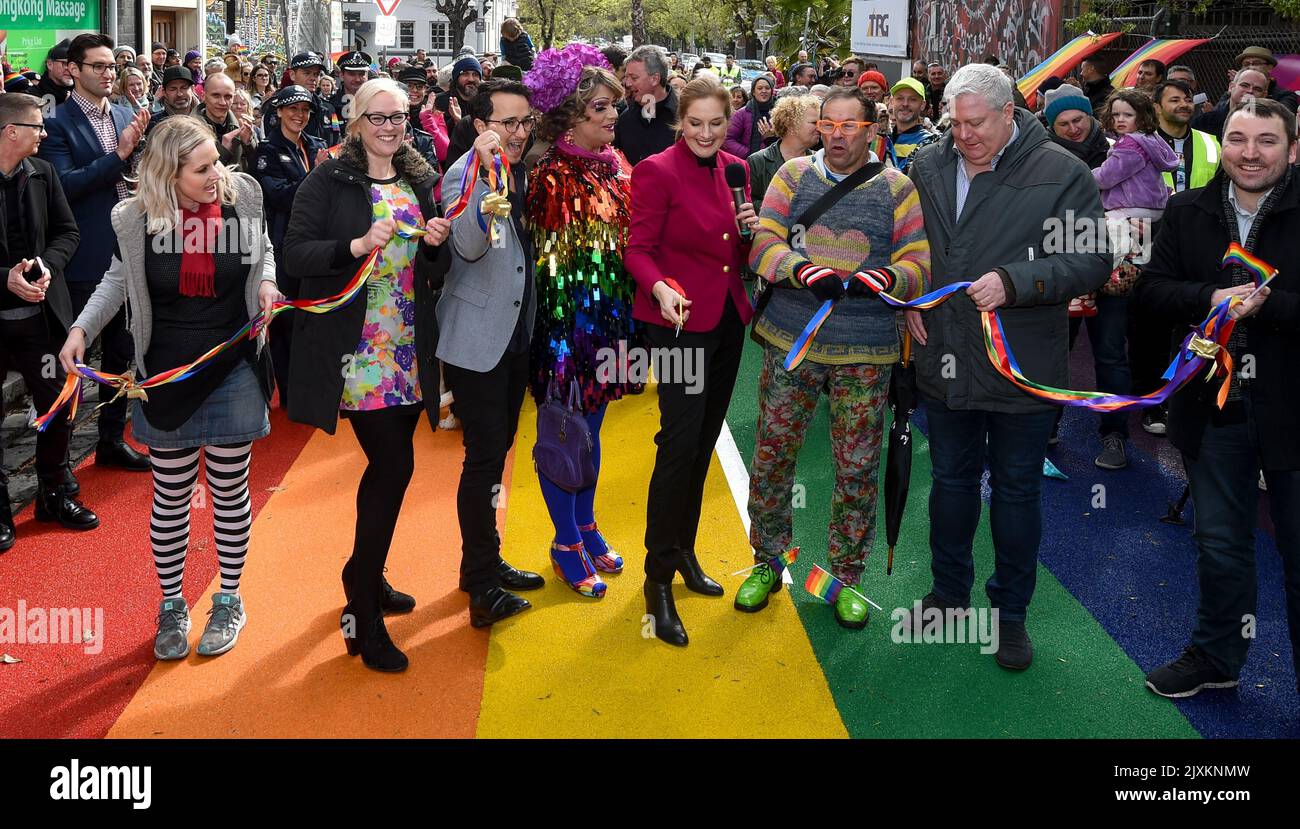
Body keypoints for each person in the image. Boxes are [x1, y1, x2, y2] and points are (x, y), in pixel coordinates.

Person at [905, 63, 1110, 669]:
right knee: (949, 486)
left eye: (975, 123)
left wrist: (1016, 282)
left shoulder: (1062, 173)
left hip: (1021, 362)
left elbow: (1092, 259)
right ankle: (948, 595)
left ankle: (1010, 615)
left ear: (1008, 113)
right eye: (954, 122)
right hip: (943, 356)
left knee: (1017, 494)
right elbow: (910, 245)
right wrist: (907, 302)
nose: (962, 135)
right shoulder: (929, 163)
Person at [58, 117, 277, 660]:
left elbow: (264, 252)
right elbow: (116, 279)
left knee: (228, 492)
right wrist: (82, 328)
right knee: (171, 496)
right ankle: (172, 604)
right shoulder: (134, 218)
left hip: (231, 365)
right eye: (202, 169)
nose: (217, 176)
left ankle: (229, 598)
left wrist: (268, 281)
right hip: (163, 373)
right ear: (168, 174)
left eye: (217, 164)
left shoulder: (242, 195)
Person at [741, 86, 931, 627]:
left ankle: (845, 577)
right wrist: (798, 268)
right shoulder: (793, 175)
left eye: (851, 125)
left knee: (857, 467)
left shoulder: (899, 188)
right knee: (773, 454)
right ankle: (767, 561)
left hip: (867, 352)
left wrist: (890, 277)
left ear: (873, 129)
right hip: (790, 346)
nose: (839, 134)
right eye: (829, 124)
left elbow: (920, 261)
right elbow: (763, 242)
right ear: (818, 127)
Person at [284, 79, 451, 670]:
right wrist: (354, 244)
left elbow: (434, 267)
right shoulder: (328, 178)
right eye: (377, 117)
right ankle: (362, 612)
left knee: (392, 468)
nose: (389, 126)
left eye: (399, 116)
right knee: (395, 465)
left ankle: (366, 573)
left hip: (410, 346)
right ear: (355, 123)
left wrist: (436, 243)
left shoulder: (420, 180)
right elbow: (294, 254)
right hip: (356, 353)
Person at [1135, 99, 1300, 698]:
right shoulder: (1187, 209)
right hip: (1213, 406)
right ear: (1221, 144)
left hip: (1292, 407)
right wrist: (1210, 297)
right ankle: (1216, 656)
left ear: (1291, 147)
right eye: (1237, 139)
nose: (1250, 153)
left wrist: (1269, 307)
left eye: (1266, 141)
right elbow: (1152, 293)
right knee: (1220, 544)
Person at [625, 76, 758, 646]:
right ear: (680, 121)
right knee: (677, 447)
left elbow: (734, 253)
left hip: (727, 321)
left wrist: (750, 234)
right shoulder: (656, 170)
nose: (706, 133)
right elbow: (637, 249)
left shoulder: (738, 168)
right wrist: (658, 289)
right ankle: (656, 577)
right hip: (677, 326)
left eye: (716, 123)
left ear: (728, 122)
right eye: (695, 123)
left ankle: (683, 551)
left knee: (702, 442)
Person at [525, 63, 640, 597]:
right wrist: (569, 339)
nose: (614, 113)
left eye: (615, 104)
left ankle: (587, 522)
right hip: (568, 329)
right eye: (601, 106)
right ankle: (564, 539)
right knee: (565, 433)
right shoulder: (550, 176)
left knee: (593, 432)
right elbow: (551, 272)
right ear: (570, 118)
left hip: (613, 321)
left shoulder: (617, 162)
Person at [438, 78, 547, 629]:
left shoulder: (518, 169)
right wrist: (483, 186)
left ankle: (481, 561)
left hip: (512, 335)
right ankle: (481, 584)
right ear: (481, 127)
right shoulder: (465, 174)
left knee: (496, 452)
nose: (520, 132)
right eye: (508, 122)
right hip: (475, 339)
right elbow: (470, 246)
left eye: (526, 121)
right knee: (483, 460)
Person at [39, 33, 152, 473]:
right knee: (77, 357)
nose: (108, 74)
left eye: (112, 67)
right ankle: (58, 465)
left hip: (132, 249)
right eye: (98, 67)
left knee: (125, 353)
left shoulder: (127, 112)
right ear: (73, 70)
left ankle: (109, 439)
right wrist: (120, 154)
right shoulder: (56, 123)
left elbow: (139, 168)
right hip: (87, 255)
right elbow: (64, 187)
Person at [0, 94, 99, 552]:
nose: (44, 133)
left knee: (60, 406)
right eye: (37, 127)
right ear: (10, 132)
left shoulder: (44, 174)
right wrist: (7, 280)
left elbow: (68, 232)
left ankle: (53, 495)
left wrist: (45, 265)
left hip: (43, 317)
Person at [1038, 83, 1133, 466]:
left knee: (1110, 355)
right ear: (1052, 126)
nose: (1074, 128)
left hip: (1113, 270)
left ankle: (1115, 435)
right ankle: (1046, 424)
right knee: (1054, 352)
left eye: (1079, 119)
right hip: (1065, 270)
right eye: (1064, 123)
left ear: (1091, 117)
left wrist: (1134, 248)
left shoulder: (1120, 152)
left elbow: (1146, 204)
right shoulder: (1041, 160)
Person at [253, 85, 325, 409]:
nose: (300, 115)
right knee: (284, 320)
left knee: (312, 316)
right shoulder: (267, 151)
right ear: (279, 111)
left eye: (305, 110)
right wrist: (317, 175)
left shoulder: (317, 145)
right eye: (293, 109)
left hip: (318, 243)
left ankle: (311, 384)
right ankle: (288, 389)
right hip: (284, 244)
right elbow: (278, 195)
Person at [746, 93, 820, 202]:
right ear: (791, 125)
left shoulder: (820, 161)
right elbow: (749, 201)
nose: (820, 127)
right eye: (814, 123)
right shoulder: (757, 161)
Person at [616, 45, 677, 167]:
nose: (627, 83)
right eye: (626, 77)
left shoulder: (685, 118)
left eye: (634, 78)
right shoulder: (624, 119)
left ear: (655, 79)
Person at [1192, 69, 1269, 139]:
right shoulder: (1204, 122)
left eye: (1257, 89)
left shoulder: (1270, 126)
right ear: (1231, 87)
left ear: (1264, 95)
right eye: (1244, 85)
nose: (1250, 91)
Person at [198, 72, 252, 170]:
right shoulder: (189, 131)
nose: (222, 102)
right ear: (203, 96)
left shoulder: (243, 126)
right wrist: (224, 151)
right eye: (216, 96)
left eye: (228, 97)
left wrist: (248, 143)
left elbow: (258, 165)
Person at [437, 54, 484, 164]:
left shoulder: (484, 103)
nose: (471, 79)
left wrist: (460, 120)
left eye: (475, 74)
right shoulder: (441, 101)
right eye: (465, 74)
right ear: (456, 77)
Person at [286, 52, 341, 147]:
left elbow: (337, 138)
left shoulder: (328, 108)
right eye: (307, 73)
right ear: (292, 75)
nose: (313, 78)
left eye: (316, 74)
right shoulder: (280, 106)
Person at [889, 77, 940, 174]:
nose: (905, 104)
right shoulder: (881, 140)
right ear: (892, 102)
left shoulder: (931, 143)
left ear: (922, 105)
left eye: (912, 99)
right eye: (900, 98)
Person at [1231, 46, 1298, 113]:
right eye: (1246, 64)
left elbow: (1282, 117)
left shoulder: (1285, 95)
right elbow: (1222, 116)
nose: (1250, 67)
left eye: (1256, 63)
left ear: (1270, 68)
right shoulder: (1235, 89)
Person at [724, 73, 775, 157]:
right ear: (753, 92)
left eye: (767, 88)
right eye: (759, 88)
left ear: (772, 91)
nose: (764, 91)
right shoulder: (741, 114)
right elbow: (727, 139)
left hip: (774, 162)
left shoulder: (779, 112)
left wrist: (771, 138)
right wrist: (749, 154)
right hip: (748, 162)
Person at [330, 50, 372, 133]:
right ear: (342, 75)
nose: (357, 79)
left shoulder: (375, 102)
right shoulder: (331, 105)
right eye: (352, 74)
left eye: (361, 74)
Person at [147, 66, 199, 132]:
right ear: (164, 92)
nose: (179, 94)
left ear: (192, 89)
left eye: (184, 88)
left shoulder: (206, 118)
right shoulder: (156, 124)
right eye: (173, 89)